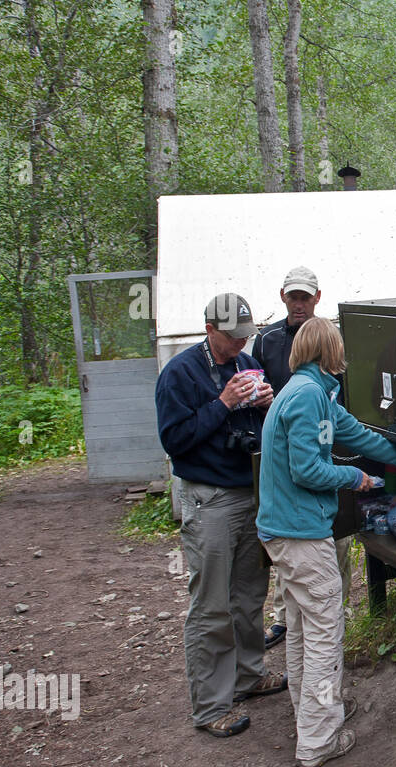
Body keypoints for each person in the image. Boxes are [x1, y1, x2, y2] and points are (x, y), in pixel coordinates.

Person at [257, 316, 396, 767]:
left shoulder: (311, 392)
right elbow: (307, 471)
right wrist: (356, 477)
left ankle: (311, 716)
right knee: (325, 631)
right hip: (300, 533)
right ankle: (320, 739)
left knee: (303, 629)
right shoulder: (306, 398)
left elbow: (355, 432)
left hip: (286, 531)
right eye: (339, 351)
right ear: (329, 354)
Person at [155, 293, 288, 738]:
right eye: (232, 337)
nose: (239, 344)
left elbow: (259, 429)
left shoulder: (245, 364)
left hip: (249, 491)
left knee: (249, 596)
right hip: (208, 498)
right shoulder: (180, 374)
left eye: (244, 336)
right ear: (209, 328)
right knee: (211, 605)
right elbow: (174, 441)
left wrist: (267, 404)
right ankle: (211, 705)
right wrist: (224, 403)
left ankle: (248, 677)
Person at [253, 266, 355, 649]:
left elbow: (342, 395)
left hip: (325, 441)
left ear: (317, 298)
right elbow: (255, 379)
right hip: (283, 449)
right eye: (293, 297)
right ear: (283, 297)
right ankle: (287, 615)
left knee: (332, 535)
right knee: (293, 539)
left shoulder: (333, 338)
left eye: (306, 297)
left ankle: (334, 607)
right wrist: (261, 396)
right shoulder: (268, 340)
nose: (299, 303)